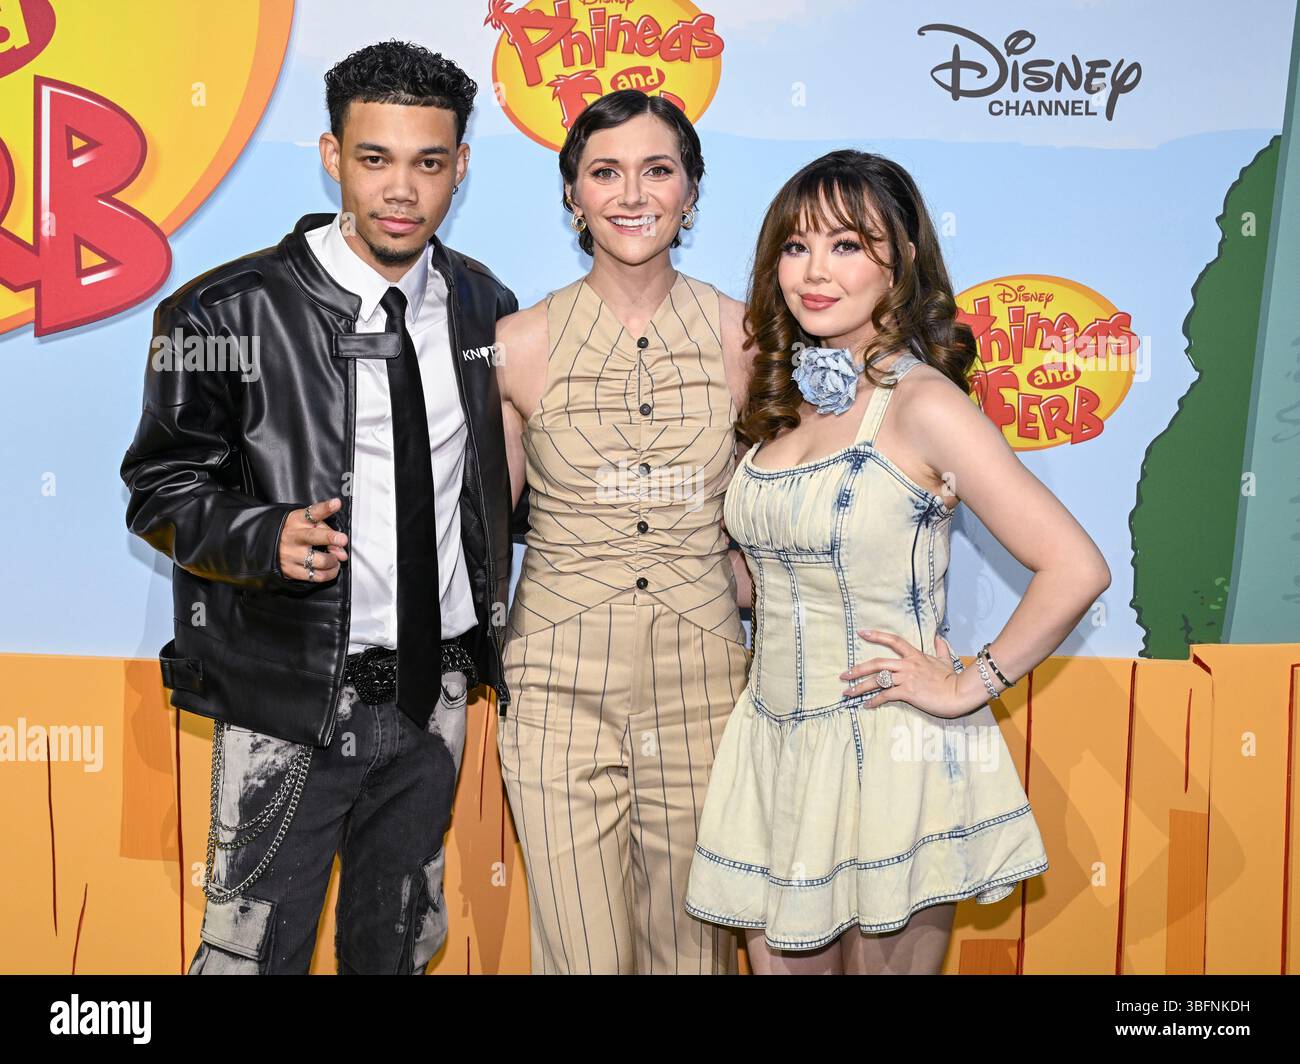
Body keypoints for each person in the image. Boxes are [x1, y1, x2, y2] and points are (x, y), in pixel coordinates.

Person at [120, 41, 518, 974]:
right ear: (332, 155)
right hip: (290, 699)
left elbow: (496, 489)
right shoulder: (216, 315)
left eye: (429, 163)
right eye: (375, 159)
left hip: (436, 702)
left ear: (460, 166)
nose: (402, 191)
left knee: (400, 948)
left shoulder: (482, 307)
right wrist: (263, 536)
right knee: (251, 957)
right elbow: (159, 488)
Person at [684, 149, 1109, 974]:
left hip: (892, 748)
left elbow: (1076, 568)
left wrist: (966, 682)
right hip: (771, 745)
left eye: (847, 245)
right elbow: (766, 581)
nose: (814, 271)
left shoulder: (925, 405)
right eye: (796, 245)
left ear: (902, 262)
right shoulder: (781, 404)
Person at [493, 90, 755, 974]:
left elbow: (779, 511)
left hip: (708, 685)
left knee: (694, 955)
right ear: (574, 197)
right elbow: (485, 534)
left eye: (658, 169)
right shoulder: (517, 344)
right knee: (582, 955)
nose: (632, 193)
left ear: (690, 191)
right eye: (605, 172)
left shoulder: (748, 339)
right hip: (557, 685)